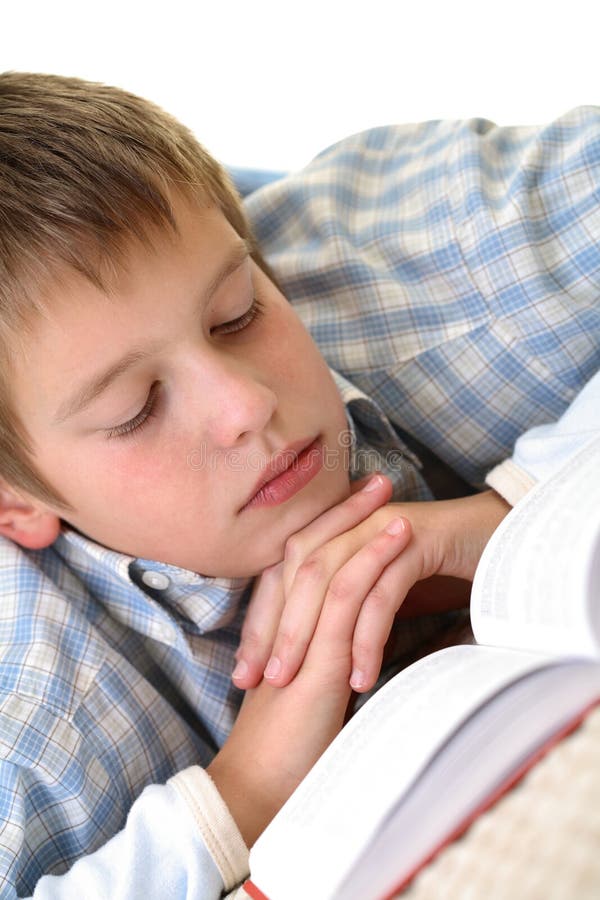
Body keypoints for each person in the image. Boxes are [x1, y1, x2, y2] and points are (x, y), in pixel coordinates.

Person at [0, 71, 597, 897]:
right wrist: (243, 796)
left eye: (239, 313)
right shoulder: (28, 726)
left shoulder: (434, 250)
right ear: (16, 503)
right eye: (136, 409)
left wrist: (519, 513)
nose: (247, 405)